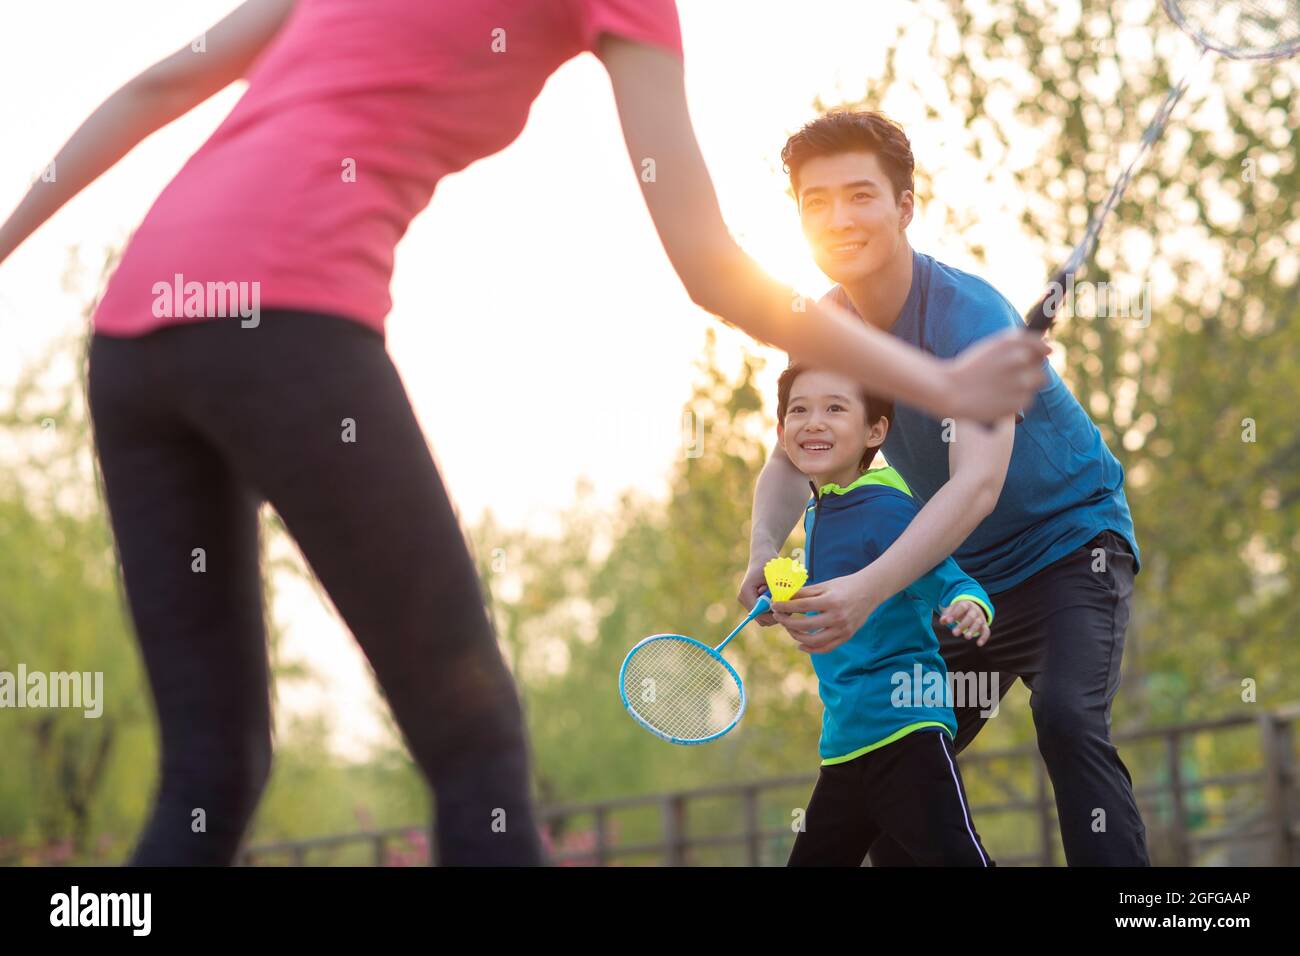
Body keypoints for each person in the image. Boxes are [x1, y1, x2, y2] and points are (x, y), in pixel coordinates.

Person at [0, 1, 1048, 866]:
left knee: (209, 769)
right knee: (473, 750)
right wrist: (937, 377)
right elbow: (704, 259)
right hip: (288, 325)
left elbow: (154, 86)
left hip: (132, 338)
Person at [740, 110, 1149, 865]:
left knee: (1065, 717)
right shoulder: (827, 330)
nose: (838, 217)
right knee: (901, 750)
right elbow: (792, 457)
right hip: (963, 583)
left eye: (860, 195)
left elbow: (977, 488)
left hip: (1069, 551)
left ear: (904, 207)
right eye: (815, 201)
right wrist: (764, 546)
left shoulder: (972, 316)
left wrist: (866, 588)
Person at [778, 363, 994, 867]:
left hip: (906, 737)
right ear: (782, 432)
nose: (813, 421)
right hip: (843, 750)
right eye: (798, 410)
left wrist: (968, 604)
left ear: (875, 430)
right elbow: (837, 606)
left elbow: (950, 578)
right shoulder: (818, 513)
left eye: (835, 408)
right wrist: (778, 601)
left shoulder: (886, 508)